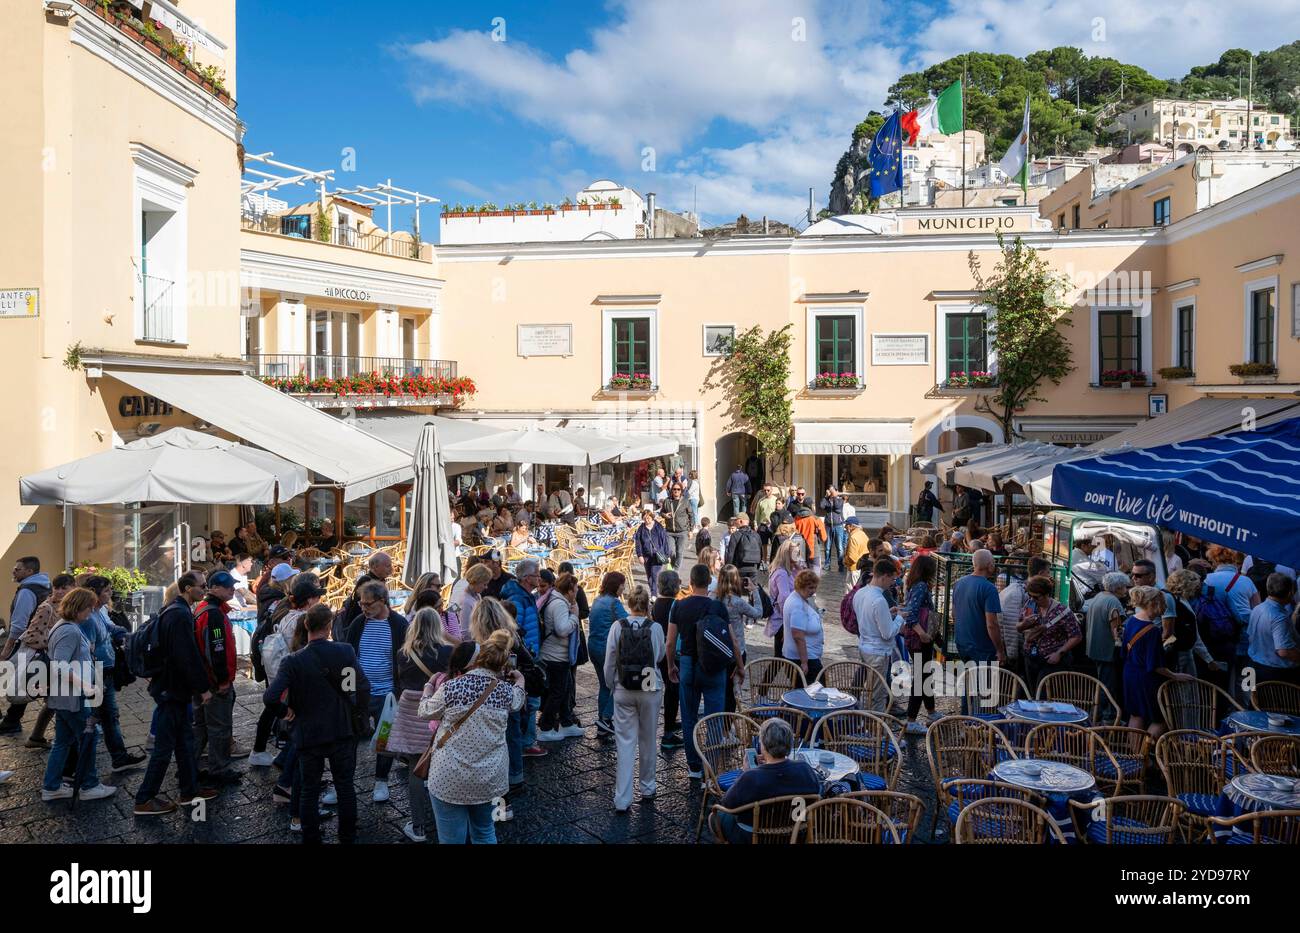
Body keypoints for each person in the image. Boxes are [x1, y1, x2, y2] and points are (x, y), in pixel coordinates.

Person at [263, 603, 368, 844]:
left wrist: (285, 711)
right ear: (329, 627)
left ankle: (311, 837)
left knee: (309, 789)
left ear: (307, 625)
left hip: (308, 732)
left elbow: (270, 696)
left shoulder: (293, 661)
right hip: (341, 728)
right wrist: (358, 711)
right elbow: (362, 686)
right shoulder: (345, 652)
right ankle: (347, 836)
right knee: (345, 786)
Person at [421, 628, 526, 844]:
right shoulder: (505, 691)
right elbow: (518, 700)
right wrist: (520, 679)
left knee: (452, 839)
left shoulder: (451, 687)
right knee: (485, 831)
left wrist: (428, 688)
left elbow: (424, 712)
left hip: (448, 776)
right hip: (490, 778)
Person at [134, 572, 219, 816]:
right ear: (187, 588)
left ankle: (189, 789)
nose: (205, 589)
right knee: (164, 747)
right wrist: (202, 688)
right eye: (202, 586)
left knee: (184, 742)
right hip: (172, 690)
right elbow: (186, 656)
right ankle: (144, 798)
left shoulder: (175, 610)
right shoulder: (180, 614)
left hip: (173, 689)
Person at [39, 588, 115, 803]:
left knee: (63, 741)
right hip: (73, 697)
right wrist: (87, 686)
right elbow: (59, 666)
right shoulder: (70, 631)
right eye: (89, 608)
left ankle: (51, 786)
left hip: (63, 696)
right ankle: (89, 785)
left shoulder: (64, 626)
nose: (90, 613)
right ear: (79, 607)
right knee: (89, 737)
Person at [665, 563, 741, 779]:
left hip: (688, 663)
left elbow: (670, 643)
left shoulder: (678, 606)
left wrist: (671, 666)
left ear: (690, 582)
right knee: (715, 718)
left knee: (689, 717)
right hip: (714, 666)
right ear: (709, 582)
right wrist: (740, 666)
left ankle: (694, 767)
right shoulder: (718, 607)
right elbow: (733, 640)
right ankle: (711, 766)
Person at [388, 606, 457, 842]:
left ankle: (418, 826)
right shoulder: (446, 653)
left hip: (411, 711)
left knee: (416, 769)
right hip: (438, 711)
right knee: (445, 765)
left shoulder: (403, 654)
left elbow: (398, 682)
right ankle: (447, 819)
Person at [344, 580, 409, 803]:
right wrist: (348, 690)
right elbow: (348, 657)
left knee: (385, 738)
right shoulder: (358, 623)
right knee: (350, 737)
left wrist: (400, 692)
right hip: (360, 693)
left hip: (387, 693)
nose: (364, 608)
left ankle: (381, 781)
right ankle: (344, 781)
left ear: (382, 601)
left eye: (368, 604)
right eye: (361, 604)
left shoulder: (399, 625)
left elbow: (405, 660)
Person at [605, 585, 665, 812]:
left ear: (628, 603)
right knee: (648, 738)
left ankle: (622, 798)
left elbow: (610, 660)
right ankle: (648, 787)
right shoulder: (656, 627)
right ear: (647, 604)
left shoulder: (617, 627)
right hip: (650, 685)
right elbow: (658, 655)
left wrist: (612, 684)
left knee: (625, 742)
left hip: (623, 686)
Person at [713, 718, 821, 843]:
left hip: (754, 837)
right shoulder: (805, 769)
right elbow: (814, 797)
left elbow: (727, 803)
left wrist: (744, 771)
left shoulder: (751, 777)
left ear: (763, 745)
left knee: (714, 817)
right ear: (789, 744)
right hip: (794, 834)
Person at [2, 572, 74, 747]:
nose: (59, 591)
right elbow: (31, 635)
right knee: (55, 698)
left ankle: (36, 736)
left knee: (53, 699)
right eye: (57, 588)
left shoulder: (67, 606)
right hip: (46, 659)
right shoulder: (47, 607)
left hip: (57, 659)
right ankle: (57, 737)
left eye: (64, 588)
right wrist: (54, 641)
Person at [1122, 586, 1192, 739]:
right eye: (1163, 604)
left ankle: (1135, 758)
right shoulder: (1152, 630)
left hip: (1130, 673)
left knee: (1136, 715)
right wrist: (1175, 675)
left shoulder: (1131, 621)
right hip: (1146, 678)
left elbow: (1124, 651)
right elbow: (1155, 665)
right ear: (1154, 604)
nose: (1165, 609)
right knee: (1161, 719)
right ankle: (1144, 754)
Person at [191, 571, 241, 784]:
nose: (232, 589)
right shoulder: (213, 614)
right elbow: (216, 649)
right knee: (219, 727)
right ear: (214, 588)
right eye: (228, 586)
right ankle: (218, 770)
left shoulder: (204, 609)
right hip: (213, 682)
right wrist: (222, 680)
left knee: (200, 726)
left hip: (202, 679)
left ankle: (188, 766)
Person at [499, 562, 544, 765]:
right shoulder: (519, 598)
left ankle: (526, 740)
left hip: (529, 652)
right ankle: (526, 743)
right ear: (526, 578)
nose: (539, 578)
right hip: (525, 656)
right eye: (536, 575)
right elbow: (517, 629)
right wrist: (529, 651)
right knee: (529, 701)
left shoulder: (524, 595)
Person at [0, 557, 51, 735]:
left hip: (23, 641)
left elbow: (19, 624)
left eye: (17, 569)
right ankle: (11, 720)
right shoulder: (44, 586)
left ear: (29, 571)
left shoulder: (27, 591)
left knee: (11, 677)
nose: (14, 571)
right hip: (37, 641)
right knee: (20, 678)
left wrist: (6, 650)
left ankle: (11, 720)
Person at [1202, 546, 1260, 701]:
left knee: (1223, 675)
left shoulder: (1207, 580)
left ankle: (1225, 708)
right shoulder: (1246, 581)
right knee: (1247, 673)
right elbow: (1257, 610)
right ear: (1236, 561)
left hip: (1218, 636)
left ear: (1214, 560)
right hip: (1245, 634)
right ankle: (1247, 705)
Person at [536, 571, 583, 741]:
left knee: (565, 691)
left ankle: (566, 723)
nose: (577, 592)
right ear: (569, 590)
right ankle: (546, 727)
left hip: (557, 655)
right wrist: (575, 618)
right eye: (575, 590)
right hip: (555, 656)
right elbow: (562, 629)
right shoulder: (560, 604)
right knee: (557, 692)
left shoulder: (557, 601)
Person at [1017, 575, 1082, 694]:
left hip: (1051, 661)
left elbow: (1076, 636)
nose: (1032, 599)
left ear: (1047, 594)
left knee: (1044, 696)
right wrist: (1024, 624)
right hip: (1030, 658)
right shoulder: (1030, 605)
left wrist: (1059, 653)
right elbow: (1018, 628)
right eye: (1029, 595)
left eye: (1036, 597)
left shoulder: (1061, 611)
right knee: (1031, 694)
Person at [853, 559, 902, 711]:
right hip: (878, 652)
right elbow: (887, 633)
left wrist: (888, 613)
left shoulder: (860, 593)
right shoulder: (879, 599)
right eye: (892, 579)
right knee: (877, 695)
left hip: (864, 647)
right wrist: (900, 618)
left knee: (872, 691)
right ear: (884, 577)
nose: (892, 583)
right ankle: (876, 727)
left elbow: (868, 617)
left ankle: (869, 723)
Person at [899, 554, 938, 733]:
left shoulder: (913, 583)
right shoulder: (921, 586)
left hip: (920, 637)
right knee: (921, 677)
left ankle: (931, 712)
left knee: (925, 674)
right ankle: (911, 720)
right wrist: (922, 634)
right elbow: (912, 614)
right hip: (920, 637)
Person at [1084, 571, 1131, 720]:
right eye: (1124, 586)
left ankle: (1098, 715)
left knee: (1102, 684)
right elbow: (1116, 631)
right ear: (1117, 587)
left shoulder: (1098, 597)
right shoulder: (1114, 602)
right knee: (1108, 686)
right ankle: (1107, 717)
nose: (1126, 589)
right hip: (1107, 650)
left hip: (1094, 647)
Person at [586, 571, 627, 736]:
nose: (624, 588)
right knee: (617, 684)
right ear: (616, 586)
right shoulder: (614, 603)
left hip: (593, 647)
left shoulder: (597, 600)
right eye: (622, 585)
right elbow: (627, 623)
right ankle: (606, 717)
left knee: (604, 685)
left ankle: (602, 723)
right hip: (606, 649)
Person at [716, 564, 762, 712]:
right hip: (738, 651)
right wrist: (755, 591)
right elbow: (758, 613)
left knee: (721, 689)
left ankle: (719, 721)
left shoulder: (715, 599)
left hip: (719, 649)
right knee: (733, 692)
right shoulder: (737, 602)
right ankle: (728, 726)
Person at [1245, 573, 1300, 685]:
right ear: (1290, 593)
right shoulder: (1279, 617)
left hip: (1255, 666)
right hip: (1276, 674)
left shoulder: (1257, 608)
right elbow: (1284, 651)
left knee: (1258, 701)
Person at [651, 570, 684, 749]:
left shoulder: (656, 604)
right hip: (672, 653)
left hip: (659, 652)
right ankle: (668, 733)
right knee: (673, 691)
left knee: (669, 690)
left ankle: (670, 724)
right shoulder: (676, 605)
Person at [336, 551, 393, 639]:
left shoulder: (379, 580)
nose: (391, 569)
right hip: (362, 630)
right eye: (387, 566)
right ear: (375, 567)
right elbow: (363, 610)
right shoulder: (366, 582)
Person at [782, 569, 826, 683]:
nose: (814, 591)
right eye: (810, 588)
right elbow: (798, 636)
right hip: (804, 659)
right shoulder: (797, 605)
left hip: (805, 656)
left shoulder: (798, 598)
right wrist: (804, 662)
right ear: (801, 586)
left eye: (815, 587)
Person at [765, 540, 802, 660]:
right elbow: (783, 599)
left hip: (786, 619)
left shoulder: (789, 570)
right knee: (781, 658)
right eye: (795, 552)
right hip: (783, 620)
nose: (798, 555)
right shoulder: (782, 573)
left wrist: (798, 568)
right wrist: (788, 623)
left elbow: (803, 582)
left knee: (782, 658)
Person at [633, 507, 672, 594]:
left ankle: (654, 594)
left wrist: (667, 555)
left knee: (654, 574)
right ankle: (653, 591)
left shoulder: (658, 527)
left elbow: (665, 541)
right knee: (649, 576)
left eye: (648, 518)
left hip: (658, 555)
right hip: (646, 556)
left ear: (652, 517)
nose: (647, 520)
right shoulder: (641, 529)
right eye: (645, 518)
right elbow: (638, 543)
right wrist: (640, 555)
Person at [448, 563, 492, 640]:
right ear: (476, 581)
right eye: (484, 584)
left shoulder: (477, 595)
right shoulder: (465, 601)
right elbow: (466, 632)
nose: (486, 587)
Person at [660, 481, 692, 568]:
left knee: (680, 552)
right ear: (672, 490)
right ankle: (674, 565)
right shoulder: (667, 501)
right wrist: (665, 515)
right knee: (670, 551)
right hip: (669, 531)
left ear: (681, 491)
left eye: (678, 489)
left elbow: (691, 515)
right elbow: (661, 512)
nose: (676, 491)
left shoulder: (685, 501)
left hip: (682, 531)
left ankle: (676, 571)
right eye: (674, 489)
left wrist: (691, 530)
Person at [724, 512, 764, 580]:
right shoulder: (756, 535)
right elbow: (761, 553)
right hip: (753, 569)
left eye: (736, 521)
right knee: (752, 588)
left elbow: (730, 555)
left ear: (740, 521)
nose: (735, 522)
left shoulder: (735, 535)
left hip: (739, 569)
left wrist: (728, 570)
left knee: (739, 589)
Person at [819, 487, 847, 571]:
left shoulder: (840, 500)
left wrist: (834, 497)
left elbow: (837, 508)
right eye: (830, 491)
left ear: (836, 491)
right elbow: (821, 506)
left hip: (838, 526)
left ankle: (840, 565)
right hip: (828, 526)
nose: (831, 492)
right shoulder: (827, 500)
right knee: (827, 547)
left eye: (833, 491)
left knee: (839, 547)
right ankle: (827, 564)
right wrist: (826, 497)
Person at [793, 507, 827, 575]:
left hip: (800, 550)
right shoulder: (815, 518)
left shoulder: (796, 519)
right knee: (815, 573)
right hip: (813, 549)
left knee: (801, 574)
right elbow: (824, 537)